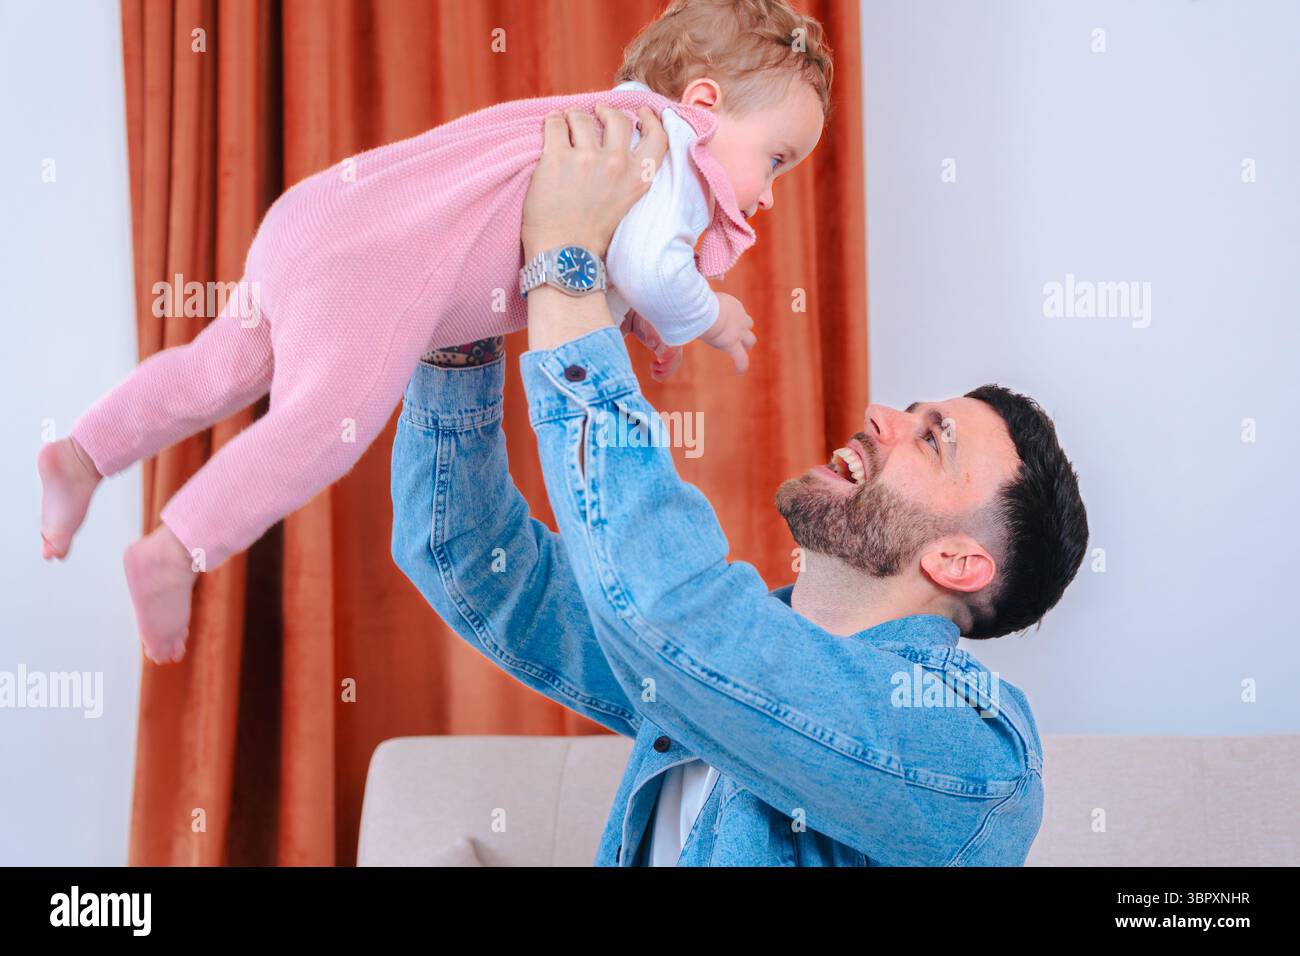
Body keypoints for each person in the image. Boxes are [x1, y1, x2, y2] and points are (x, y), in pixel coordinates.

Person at [389, 104, 1090, 866]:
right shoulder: (710, 672)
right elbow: (468, 557)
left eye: (933, 439)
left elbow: (673, 617)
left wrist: (565, 265)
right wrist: (463, 320)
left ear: (960, 561)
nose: (881, 415)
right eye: (912, 411)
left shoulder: (972, 754)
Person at [36, 0, 829, 664]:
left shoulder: (604, 126)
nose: (767, 194)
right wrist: (710, 317)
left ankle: (81, 453)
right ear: (703, 103)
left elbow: (609, 260)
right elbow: (654, 269)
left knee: (218, 366)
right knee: (321, 425)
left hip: (314, 222)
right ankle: (178, 547)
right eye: (777, 158)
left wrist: (645, 323)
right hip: (376, 274)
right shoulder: (670, 148)